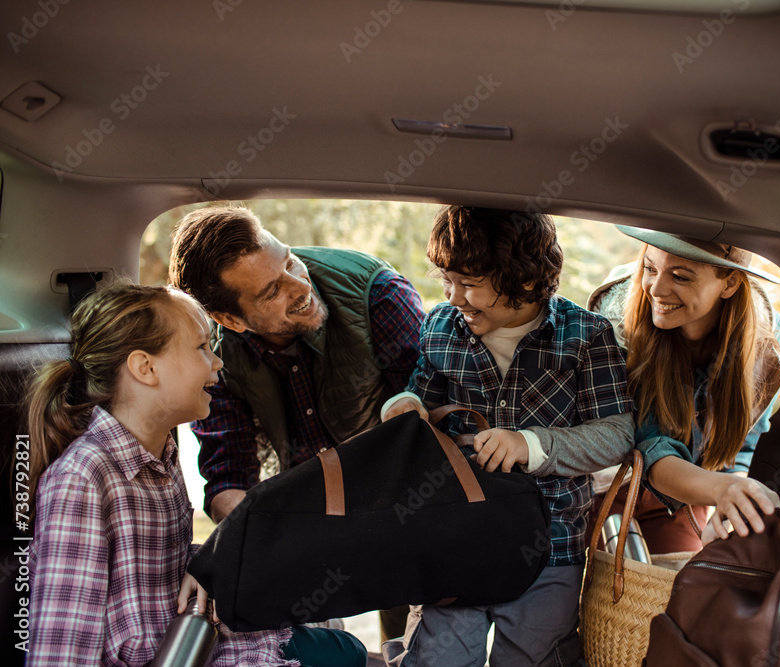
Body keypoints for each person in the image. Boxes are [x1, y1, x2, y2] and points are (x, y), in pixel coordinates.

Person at [25, 283, 367, 666]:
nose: (218, 362)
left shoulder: (161, 456)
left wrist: (211, 563)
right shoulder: (81, 480)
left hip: (191, 638)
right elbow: (60, 652)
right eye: (203, 347)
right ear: (146, 368)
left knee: (345, 648)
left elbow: (156, 567)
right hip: (158, 654)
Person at [381, 206, 634, 667]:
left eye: (470, 282)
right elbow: (421, 399)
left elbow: (616, 435)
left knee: (534, 658)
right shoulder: (440, 327)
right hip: (454, 534)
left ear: (529, 281)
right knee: (435, 658)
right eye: (446, 280)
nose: (454, 296)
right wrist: (404, 407)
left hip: (551, 544)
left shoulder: (586, 338)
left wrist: (531, 445)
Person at [168, 205, 424, 640]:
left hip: (400, 494)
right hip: (301, 502)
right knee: (317, 636)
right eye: (272, 291)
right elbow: (228, 474)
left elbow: (428, 428)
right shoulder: (215, 356)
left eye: (289, 260)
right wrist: (254, 541)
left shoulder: (378, 294)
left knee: (415, 628)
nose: (299, 284)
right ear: (229, 320)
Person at [589, 226, 780, 551]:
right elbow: (647, 445)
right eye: (650, 268)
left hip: (689, 492)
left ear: (730, 283)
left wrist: (734, 496)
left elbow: (743, 446)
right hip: (606, 484)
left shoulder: (764, 343)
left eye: (680, 277)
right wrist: (720, 489)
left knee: (679, 589)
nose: (656, 289)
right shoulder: (616, 323)